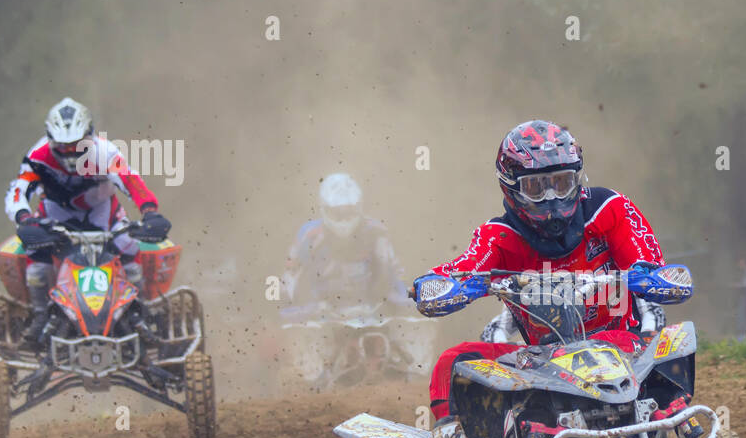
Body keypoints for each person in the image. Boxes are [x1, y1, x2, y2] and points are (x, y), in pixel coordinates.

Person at [412, 119, 674, 421]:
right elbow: (465, 268)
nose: (552, 198)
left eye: (561, 183)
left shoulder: (610, 209)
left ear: (577, 179)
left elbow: (648, 262)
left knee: (676, 345)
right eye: (536, 187)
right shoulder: (498, 236)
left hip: (621, 346)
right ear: (510, 187)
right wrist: (443, 286)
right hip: (542, 363)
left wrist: (652, 277)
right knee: (453, 362)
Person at [5, 97, 170, 347]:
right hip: (55, 217)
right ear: (51, 140)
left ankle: (139, 313)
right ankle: (41, 316)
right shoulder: (37, 156)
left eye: (77, 146)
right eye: (63, 147)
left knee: (131, 248)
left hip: (103, 215)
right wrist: (24, 219)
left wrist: (149, 211)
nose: (70, 153)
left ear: (90, 136)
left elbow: (130, 180)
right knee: (36, 261)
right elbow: (18, 191)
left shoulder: (105, 152)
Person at [280, 172, 420, 382]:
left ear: (359, 207)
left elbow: (393, 277)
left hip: (372, 311)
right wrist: (298, 309)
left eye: (349, 212)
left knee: (412, 329)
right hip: (323, 314)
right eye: (337, 213)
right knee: (306, 373)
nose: (344, 219)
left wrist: (409, 303)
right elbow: (289, 282)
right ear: (324, 210)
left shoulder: (376, 233)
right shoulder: (309, 236)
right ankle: (318, 379)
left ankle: (398, 372)